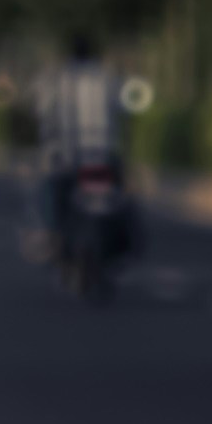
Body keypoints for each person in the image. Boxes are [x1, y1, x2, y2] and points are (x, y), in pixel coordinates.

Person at [27, 34, 126, 267]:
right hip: (105, 155)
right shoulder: (109, 77)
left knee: (48, 191)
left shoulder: (56, 78)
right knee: (119, 198)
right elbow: (123, 111)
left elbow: (39, 109)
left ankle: (52, 237)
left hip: (66, 157)